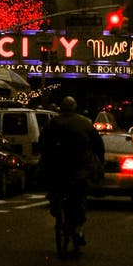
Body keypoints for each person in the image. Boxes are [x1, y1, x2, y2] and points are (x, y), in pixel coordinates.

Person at [38, 95, 105, 246]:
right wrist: (100, 161)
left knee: (53, 187)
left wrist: (45, 158)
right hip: (78, 168)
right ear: (75, 108)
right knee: (79, 198)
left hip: (56, 167)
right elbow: (98, 145)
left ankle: (55, 205)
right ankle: (77, 228)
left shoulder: (52, 123)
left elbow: (42, 142)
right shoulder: (85, 123)